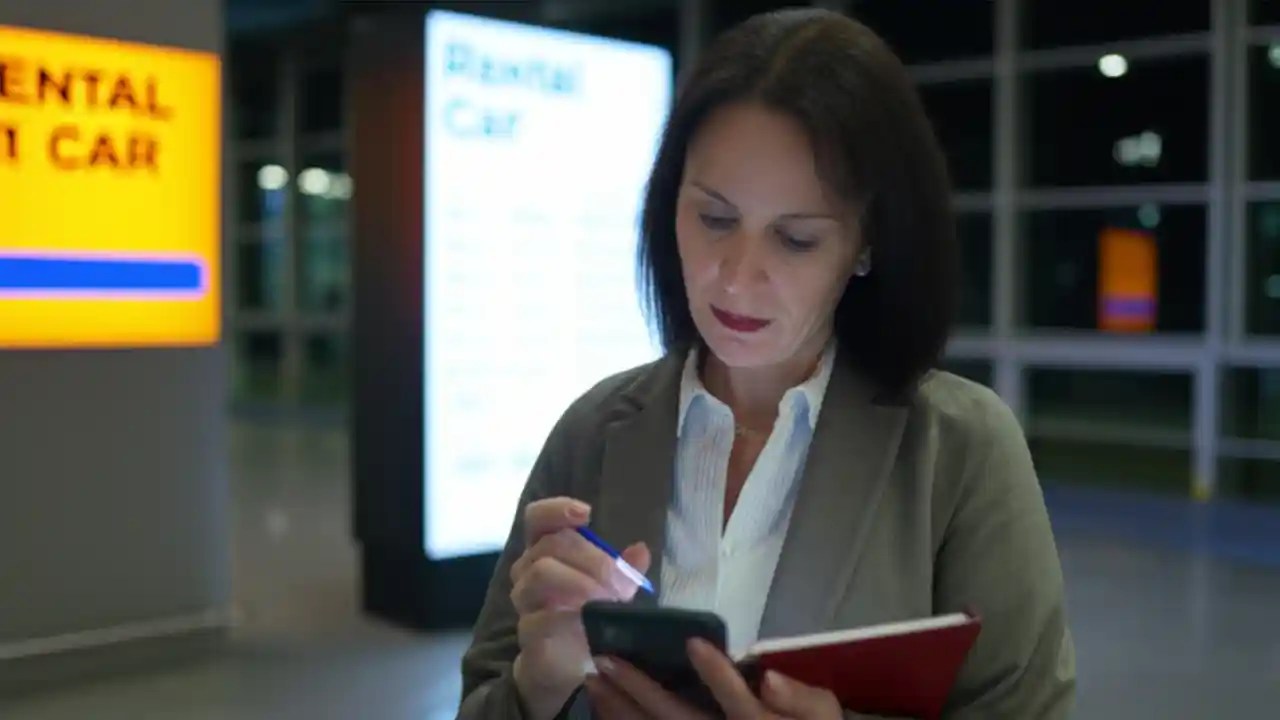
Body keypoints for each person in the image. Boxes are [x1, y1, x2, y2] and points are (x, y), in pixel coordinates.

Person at [457, 8, 1075, 720]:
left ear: (866, 245)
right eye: (715, 220)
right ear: (670, 208)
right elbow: (483, 703)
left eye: (796, 239)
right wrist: (539, 687)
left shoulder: (959, 449)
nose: (737, 278)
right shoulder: (593, 431)